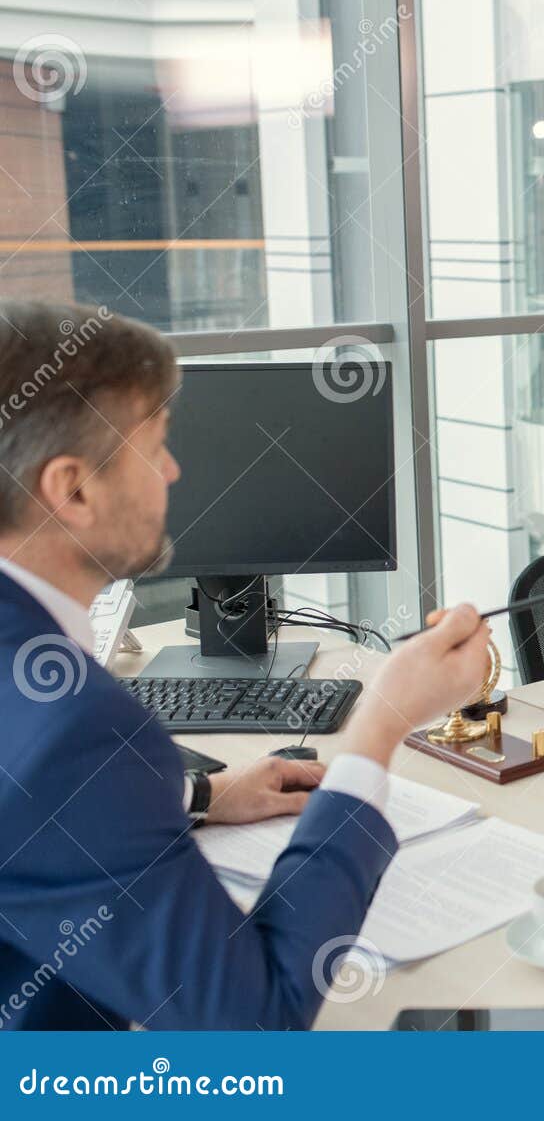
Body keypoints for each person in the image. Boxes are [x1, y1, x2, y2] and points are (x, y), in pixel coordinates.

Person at [0, 301, 492, 1030]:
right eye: (156, 444)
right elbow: (255, 1026)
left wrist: (200, 794)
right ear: (72, 487)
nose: (172, 470)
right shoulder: (77, 726)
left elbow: (35, 828)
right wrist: (379, 725)